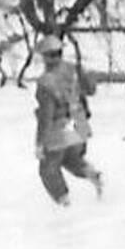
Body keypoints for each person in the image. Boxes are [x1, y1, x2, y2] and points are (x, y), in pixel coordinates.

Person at [33, 34, 103, 206]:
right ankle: (92, 174)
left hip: (59, 128)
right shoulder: (74, 70)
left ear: (45, 56)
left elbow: (46, 116)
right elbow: (91, 90)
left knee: (48, 168)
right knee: (70, 158)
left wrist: (40, 143)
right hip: (79, 124)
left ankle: (63, 202)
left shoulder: (45, 83)